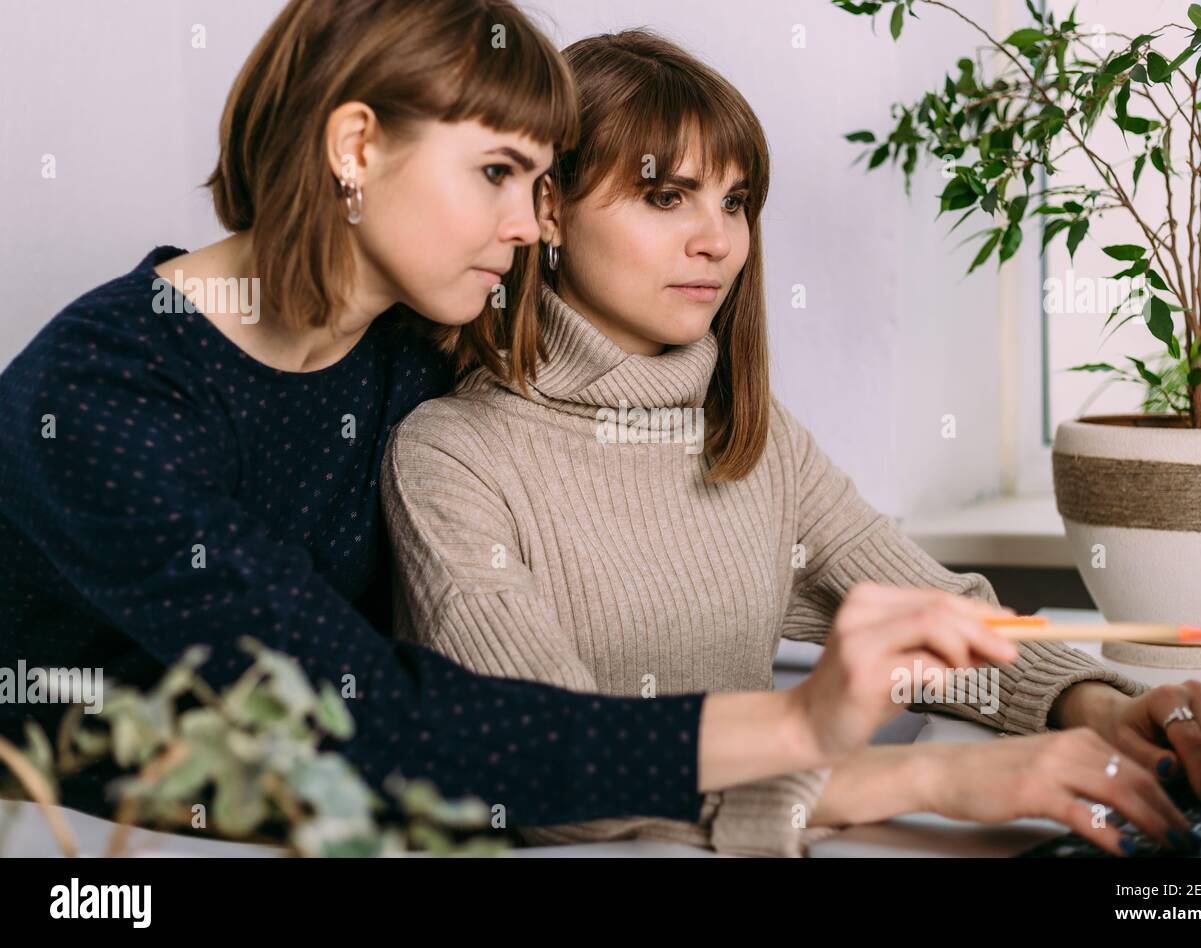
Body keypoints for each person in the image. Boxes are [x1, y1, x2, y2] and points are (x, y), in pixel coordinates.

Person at [0, 0, 1020, 840]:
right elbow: (375, 715)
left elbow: (634, 504)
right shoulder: (103, 392)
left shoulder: (413, 344)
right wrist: (816, 733)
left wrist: (1058, 696)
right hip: (103, 837)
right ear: (355, 145)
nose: (532, 224)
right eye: (497, 173)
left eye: (540, 184)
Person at [381, 29, 1201, 857]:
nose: (717, 240)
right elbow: (550, 769)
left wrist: (1097, 706)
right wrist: (933, 775)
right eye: (664, 196)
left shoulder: (752, 436)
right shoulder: (451, 458)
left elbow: (939, 621)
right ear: (551, 212)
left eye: (736, 201)